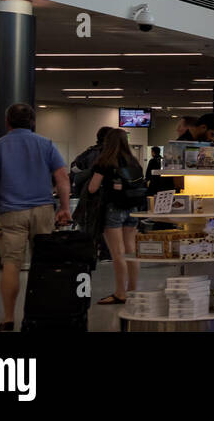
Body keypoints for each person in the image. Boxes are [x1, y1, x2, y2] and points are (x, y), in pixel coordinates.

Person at [0, 103, 72, 331]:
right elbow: (62, 177)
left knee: (11, 264)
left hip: (11, 212)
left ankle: (9, 318)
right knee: (43, 264)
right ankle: (42, 314)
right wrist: (64, 207)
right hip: (43, 210)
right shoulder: (46, 144)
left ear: (7, 122)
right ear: (32, 122)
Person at [87, 128, 145, 304]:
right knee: (131, 251)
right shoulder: (134, 162)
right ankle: (133, 290)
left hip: (113, 210)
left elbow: (92, 188)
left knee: (117, 253)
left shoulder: (105, 162)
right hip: (132, 209)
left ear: (107, 142)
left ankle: (120, 293)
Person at [70, 127, 109, 197]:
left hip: (85, 194)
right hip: (102, 195)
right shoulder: (112, 154)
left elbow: (73, 168)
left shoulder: (89, 152)